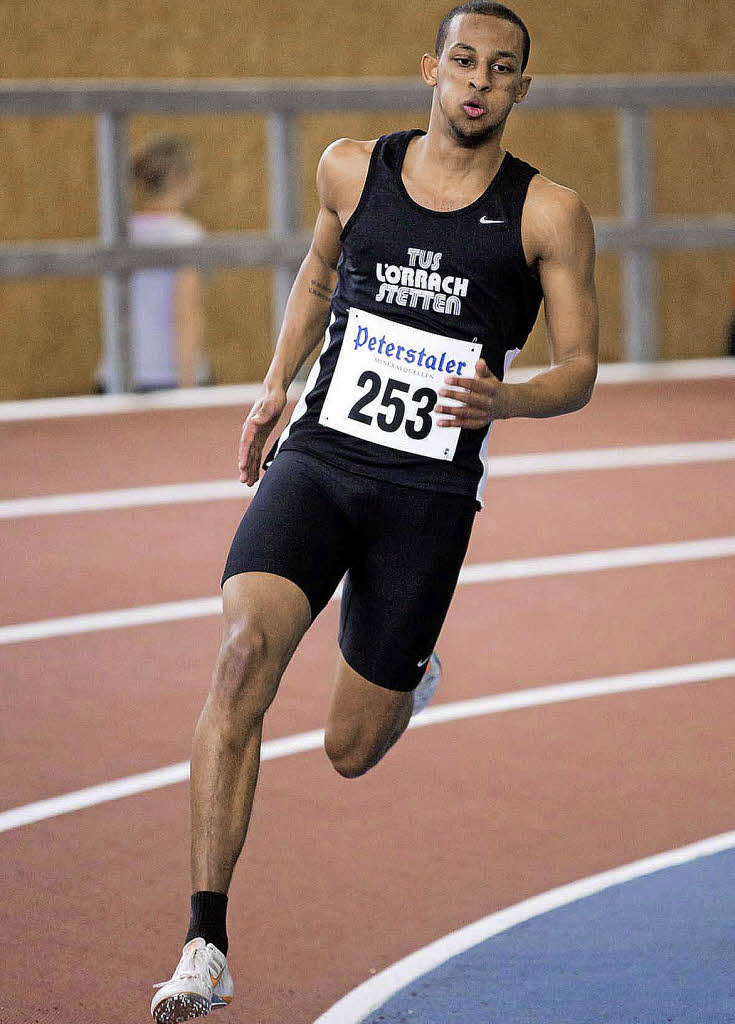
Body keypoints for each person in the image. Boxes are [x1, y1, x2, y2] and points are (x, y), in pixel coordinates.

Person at [151, 2, 598, 1019]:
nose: (479, 81)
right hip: (321, 457)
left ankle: (410, 675)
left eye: (502, 68)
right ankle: (204, 943)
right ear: (431, 69)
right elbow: (317, 273)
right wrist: (276, 382)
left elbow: (579, 369)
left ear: (522, 89)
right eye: (464, 60)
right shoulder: (354, 169)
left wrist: (505, 397)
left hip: (428, 495)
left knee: (351, 747)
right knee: (239, 659)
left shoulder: (547, 214)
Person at [97, 133, 207, 393]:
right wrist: (189, 386)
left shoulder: (122, 232)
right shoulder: (186, 235)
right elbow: (184, 311)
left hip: (118, 372)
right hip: (167, 374)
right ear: (182, 180)